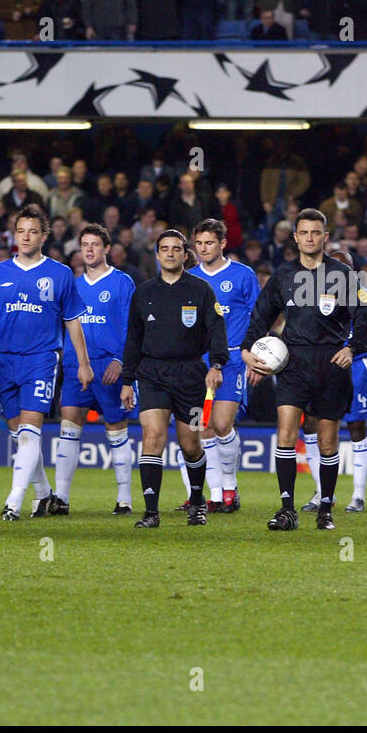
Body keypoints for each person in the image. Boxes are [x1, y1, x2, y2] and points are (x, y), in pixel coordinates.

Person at [240, 209, 367, 533]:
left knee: (328, 442)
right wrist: (246, 350)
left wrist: (352, 347)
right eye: (304, 233)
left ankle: (325, 508)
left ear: (325, 237)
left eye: (316, 233)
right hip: (293, 362)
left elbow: (364, 316)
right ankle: (287, 510)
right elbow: (261, 315)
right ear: (296, 237)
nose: (310, 238)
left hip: (331, 364)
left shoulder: (342, 274)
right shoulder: (284, 275)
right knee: (285, 434)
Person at [0, 204, 94, 520]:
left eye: (33, 231)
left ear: (44, 235)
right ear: (14, 234)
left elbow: (74, 322)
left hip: (42, 359)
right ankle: (45, 494)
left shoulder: (60, 274)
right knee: (19, 433)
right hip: (5, 360)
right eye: (21, 231)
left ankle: (13, 502)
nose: (26, 237)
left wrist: (84, 364)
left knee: (31, 431)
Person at [118, 230, 226, 528]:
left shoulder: (201, 290)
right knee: (152, 437)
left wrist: (216, 364)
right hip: (152, 374)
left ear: (184, 254)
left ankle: (197, 501)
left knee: (191, 442)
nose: (169, 253)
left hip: (191, 377)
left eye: (176, 249)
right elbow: (133, 339)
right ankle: (151, 512)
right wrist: (128, 380)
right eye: (164, 249)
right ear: (157, 254)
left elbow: (217, 329)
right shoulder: (143, 293)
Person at [50, 224, 136, 516]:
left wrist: (121, 362)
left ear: (107, 249)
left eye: (95, 244)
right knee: (68, 428)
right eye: (84, 244)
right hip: (77, 367)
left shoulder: (123, 283)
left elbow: (132, 329)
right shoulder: (71, 284)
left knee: (116, 430)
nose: (88, 249)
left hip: (110, 367)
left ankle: (124, 499)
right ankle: (60, 497)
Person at [300, 247, 367, 514]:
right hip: (319, 369)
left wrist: (352, 346)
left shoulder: (365, 297)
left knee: (355, 428)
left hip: (356, 369)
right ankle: (320, 493)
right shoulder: (312, 298)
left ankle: (358, 495)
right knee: (311, 427)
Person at [186, 218, 259, 513]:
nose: (203, 248)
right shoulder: (189, 278)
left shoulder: (243, 276)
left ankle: (230, 485)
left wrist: (255, 355)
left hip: (231, 362)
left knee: (222, 423)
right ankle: (216, 494)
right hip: (198, 364)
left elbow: (261, 316)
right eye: (199, 243)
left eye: (209, 243)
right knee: (202, 426)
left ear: (223, 244)